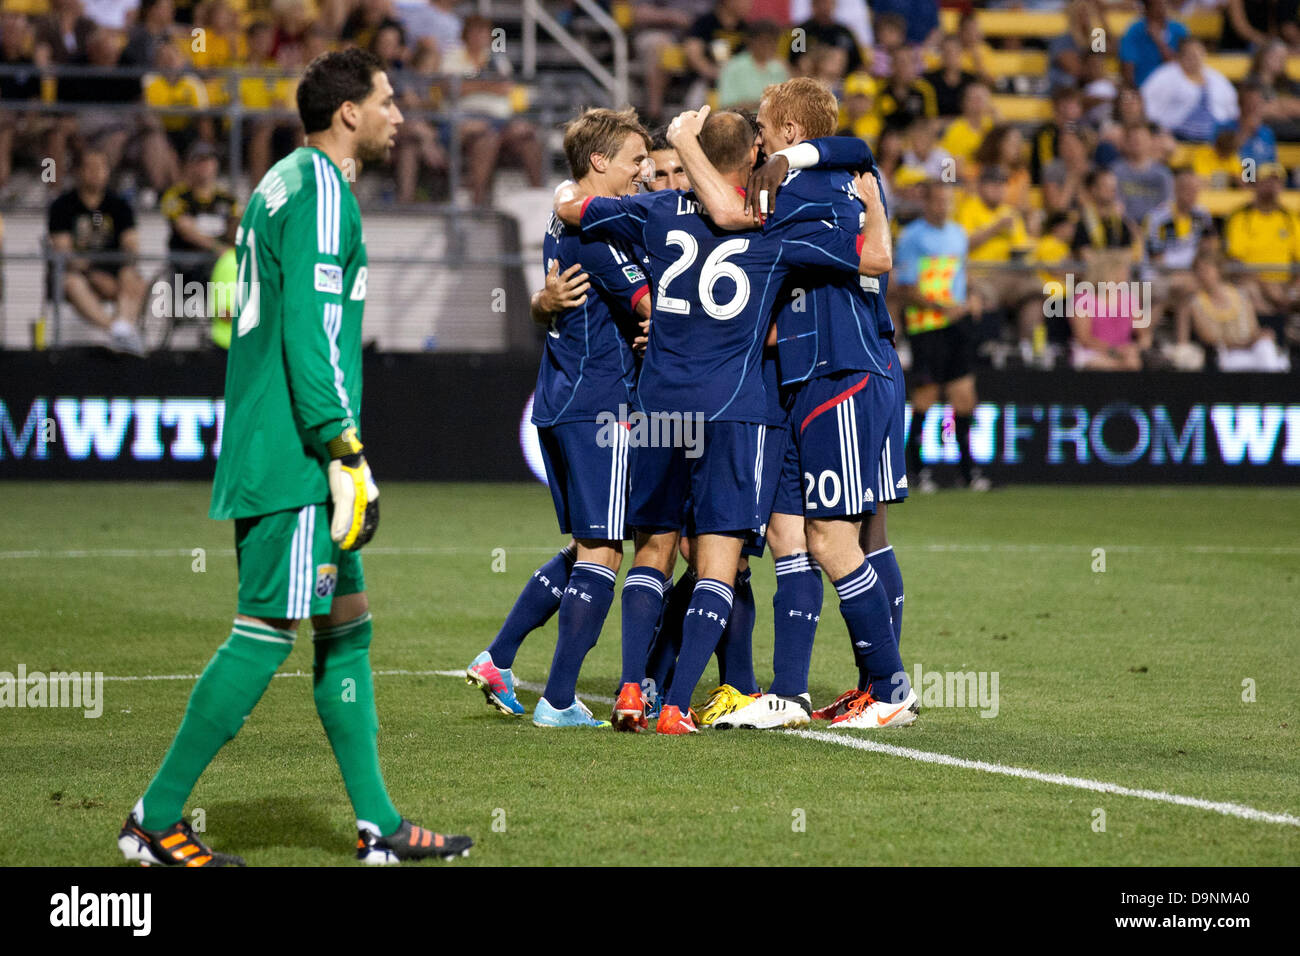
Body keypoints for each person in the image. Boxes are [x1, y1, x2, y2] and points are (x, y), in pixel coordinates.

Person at [118, 47, 473, 867]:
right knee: (265, 630)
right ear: (349, 112)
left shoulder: (283, 182)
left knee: (347, 624)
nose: (400, 115)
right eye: (389, 100)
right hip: (295, 452)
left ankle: (378, 825)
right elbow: (309, 330)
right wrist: (340, 446)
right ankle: (154, 817)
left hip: (289, 441)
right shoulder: (316, 189)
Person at [557, 104, 891, 735]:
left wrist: (562, 191)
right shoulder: (773, 224)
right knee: (720, 561)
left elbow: (573, 208)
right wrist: (875, 206)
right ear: (754, 161)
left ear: (695, 155)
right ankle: (678, 705)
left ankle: (632, 690)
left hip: (659, 407)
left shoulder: (654, 210)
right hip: (736, 410)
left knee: (652, 550)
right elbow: (873, 261)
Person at [666, 90, 912, 731]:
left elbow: (875, 258)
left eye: (768, 133)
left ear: (792, 130)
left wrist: (684, 141)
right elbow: (857, 153)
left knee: (841, 536)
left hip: (843, 374)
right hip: (809, 379)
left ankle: (888, 686)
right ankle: (797, 692)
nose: (760, 144)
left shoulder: (804, 191)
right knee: (793, 534)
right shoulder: (837, 174)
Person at [470, 109, 654, 729]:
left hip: (559, 399)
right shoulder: (596, 232)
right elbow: (650, 307)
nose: (642, 171)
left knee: (583, 546)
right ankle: (559, 699)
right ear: (599, 162)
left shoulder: (565, 210)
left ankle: (499, 658)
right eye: (634, 160)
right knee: (604, 550)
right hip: (597, 405)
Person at [897, 179, 988, 493]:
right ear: (926, 203)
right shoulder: (911, 237)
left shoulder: (958, 234)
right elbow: (904, 287)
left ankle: (968, 473)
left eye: (947, 201)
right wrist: (940, 307)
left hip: (957, 325)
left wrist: (973, 296)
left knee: (965, 397)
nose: (943, 206)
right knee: (926, 396)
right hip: (926, 326)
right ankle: (917, 471)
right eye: (937, 201)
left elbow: (963, 275)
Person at [46, 147, 148, 355]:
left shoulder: (119, 205)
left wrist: (118, 271)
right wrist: (93, 274)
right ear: (78, 171)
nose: (96, 172)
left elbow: (131, 246)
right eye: (90, 167)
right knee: (72, 283)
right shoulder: (62, 206)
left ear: (108, 171)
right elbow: (64, 252)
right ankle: (118, 331)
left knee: (135, 279)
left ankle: (121, 331)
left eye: (101, 167)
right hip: (78, 274)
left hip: (113, 272)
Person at [160, 141, 241, 315]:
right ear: (189, 166)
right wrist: (218, 247)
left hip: (221, 262)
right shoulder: (177, 196)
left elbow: (237, 227)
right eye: (199, 161)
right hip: (187, 263)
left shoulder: (227, 199)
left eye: (209, 160)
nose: (205, 166)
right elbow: (186, 231)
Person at [1184, 250, 1291, 371]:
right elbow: (1208, 338)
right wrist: (1243, 344)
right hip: (1227, 355)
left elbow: (1253, 328)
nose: (1203, 274)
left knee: (1265, 347)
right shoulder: (1195, 302)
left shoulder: (1240, 295)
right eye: (1199, 271)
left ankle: (1274, 385)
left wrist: (1261, 335)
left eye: (1207, 269)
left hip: (1250, 349)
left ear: (1218, 269)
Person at [1141, 39, 1238, 143]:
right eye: (1190, 54)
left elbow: (1232, 110)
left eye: (1199, 53)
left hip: (1214, 137)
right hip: (1175, 136)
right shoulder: (1164, 76)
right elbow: (1147, 106)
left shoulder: (1217, 78)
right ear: (1180, 56)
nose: (1195, 58)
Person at [1119, 0, 1188, 88]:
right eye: (1157, 6)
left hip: (1176, 88)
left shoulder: (1179, 29)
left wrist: (1159, 42)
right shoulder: (1134, 32)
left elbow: (1183, 67)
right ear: (1146, 9)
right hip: (1143, 87)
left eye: (1164, 4)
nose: (1163, 9)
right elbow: (1128, 69)